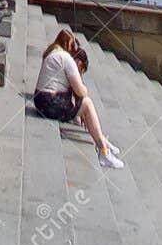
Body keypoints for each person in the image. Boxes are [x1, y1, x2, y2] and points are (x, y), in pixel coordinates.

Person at [33, 28, 124, 169]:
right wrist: (85, 90)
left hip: (41, 100)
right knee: (87, 103)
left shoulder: (53, 53)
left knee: (84, 105)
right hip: (49, 103)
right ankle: (103, 151)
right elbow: (81, 91)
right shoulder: (67, 59)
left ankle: (102, 140)